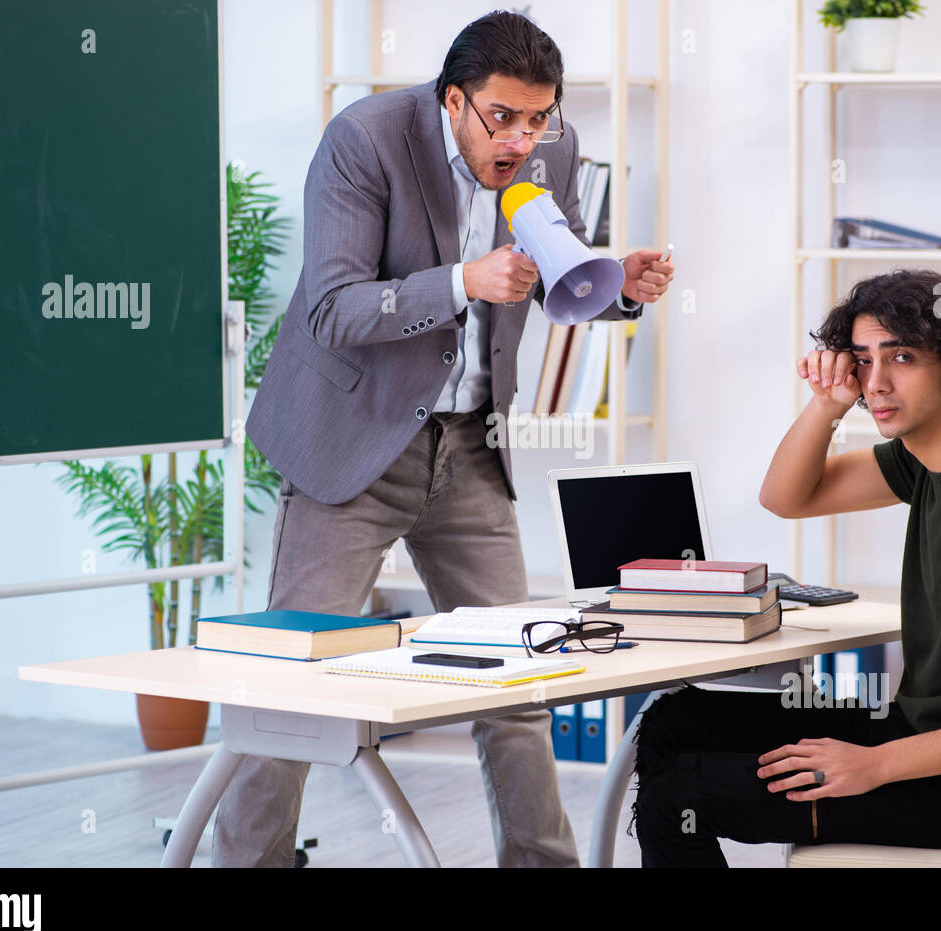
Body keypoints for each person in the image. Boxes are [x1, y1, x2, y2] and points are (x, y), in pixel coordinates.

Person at [215, 10, 674, 868]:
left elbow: (557, 284)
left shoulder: (550, 153)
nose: (523, 139)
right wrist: (464, 280)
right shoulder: (364, 140)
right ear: (454, 100)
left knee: (518, 681)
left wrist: (621, 288)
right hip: (348, 449)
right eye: (504, 117)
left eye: (541, 118)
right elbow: (332, 306)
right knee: (290, 683)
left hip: (468, 447)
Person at [631, 269, 941, 867]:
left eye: (901, 357)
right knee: (676, 719)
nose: (875, 383)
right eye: (861, 360)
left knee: (679, 796)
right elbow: (786, 497)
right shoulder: (933, 457)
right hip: (920, 730)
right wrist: (827, 404)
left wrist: (870, 765)